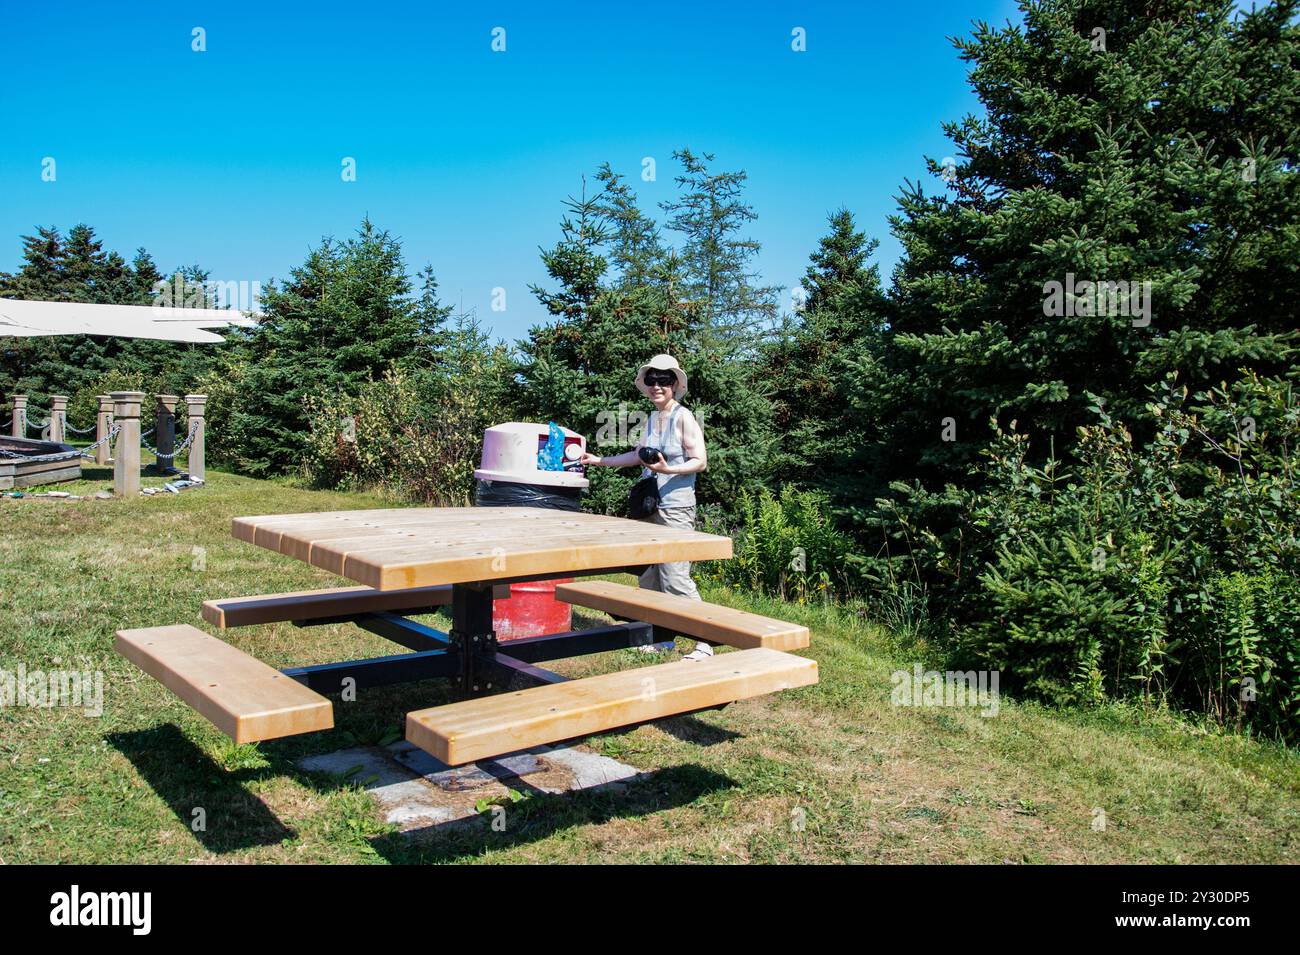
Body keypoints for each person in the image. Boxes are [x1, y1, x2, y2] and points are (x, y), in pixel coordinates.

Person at [578, 354, 713, 661]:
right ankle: (661, 637)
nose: (656, 386)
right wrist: (599, 461)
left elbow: (700, 461)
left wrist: (667, 471)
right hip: (650, 508)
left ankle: (705, 640)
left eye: (664, 380)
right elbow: (639, 456)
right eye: (651, 379)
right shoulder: (653, 418)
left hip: (675, 508)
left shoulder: (683, 417)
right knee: (650, 575)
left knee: (675, 576)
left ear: (676, 384)